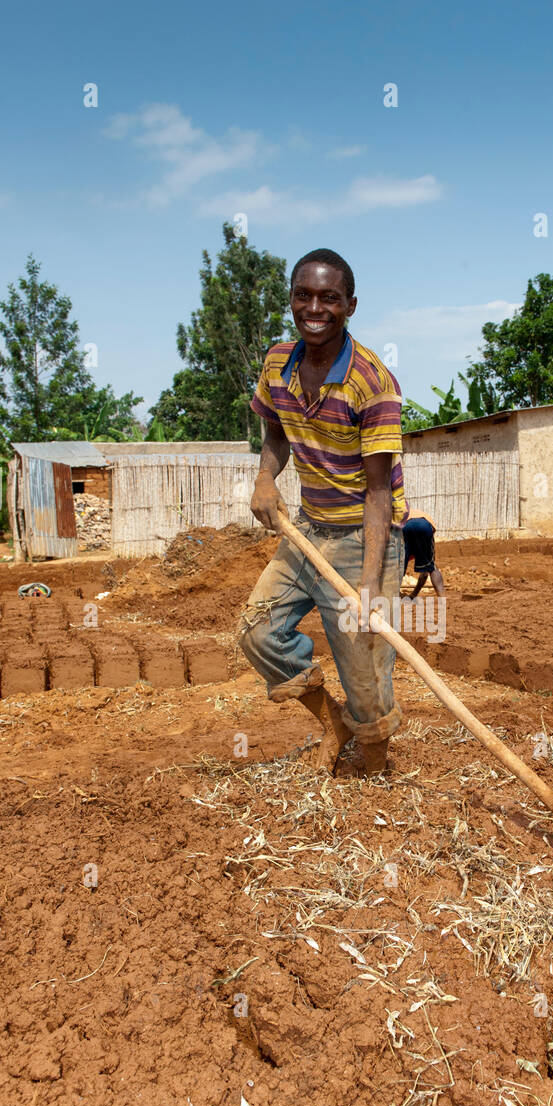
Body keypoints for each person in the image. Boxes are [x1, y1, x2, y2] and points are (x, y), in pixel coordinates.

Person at [237, 248, 406, 775]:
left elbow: (379, 492)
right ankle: (330, 721)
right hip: (308, 529)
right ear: (291, 301)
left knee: (363, 667)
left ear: (349, 305)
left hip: (364, 534)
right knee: (256, 631)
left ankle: (374, 762)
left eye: (329, 298)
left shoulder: (373, 382)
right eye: (304, 295)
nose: (316, 307)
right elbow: (274, 434)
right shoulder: (276, 364)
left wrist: (373, 584)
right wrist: (266, 477)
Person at [402, 512, 445, 599]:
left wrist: (413, 594)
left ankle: (393, 596)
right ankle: (442, 597)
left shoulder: (405, 551)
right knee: (432, 567)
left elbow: (424, 575)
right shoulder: (421, 547)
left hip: (405, 525)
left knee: (398, 568)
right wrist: (413, 594)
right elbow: (425, 572)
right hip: (424, 525)